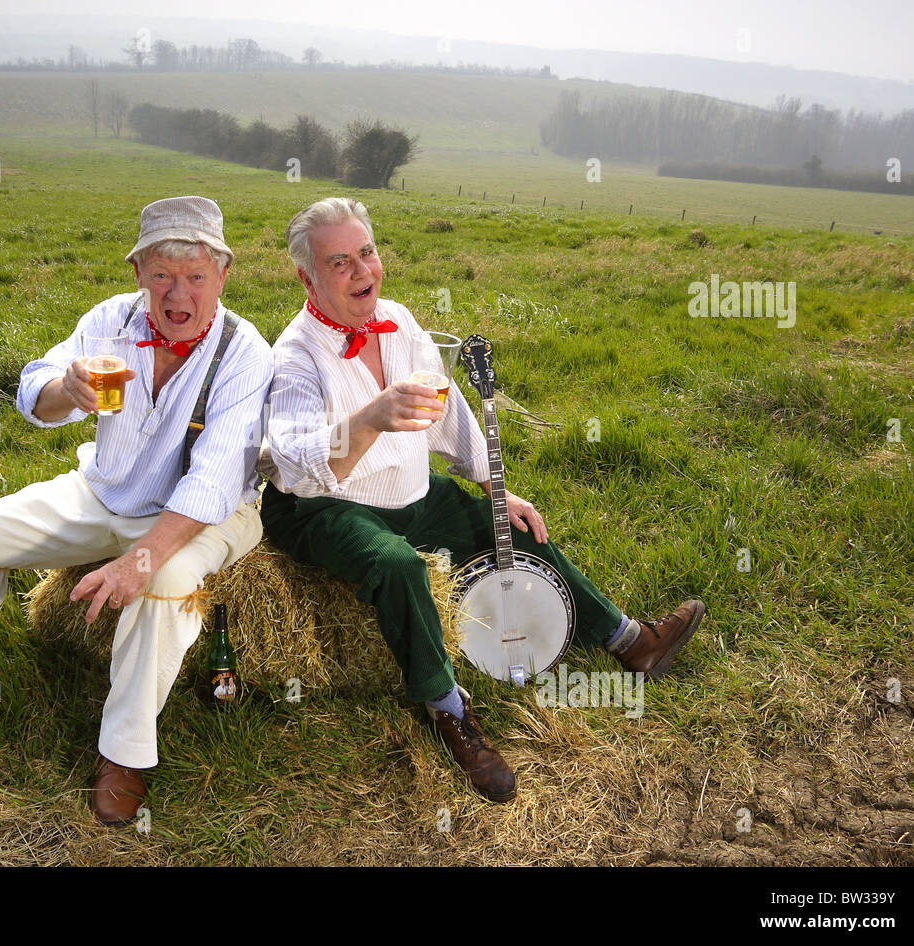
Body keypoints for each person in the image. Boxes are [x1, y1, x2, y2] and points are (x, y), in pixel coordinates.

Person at [0, 196, 273, 825]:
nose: (178, 294)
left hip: (206, 512)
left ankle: (123, 754)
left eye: (196, 277)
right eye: (162, 276)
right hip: (108, 488)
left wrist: (138, 562)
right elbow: (35, 391)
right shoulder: (109, 321)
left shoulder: (244, 353)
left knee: (166, 584)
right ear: (138, 275)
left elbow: (212, 483)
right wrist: (59, 390)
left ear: (223, 276)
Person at [259, 197, 704, 802]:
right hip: (323, 504)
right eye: (340, 262)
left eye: (367, 252)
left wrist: (497, 489)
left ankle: (632, 641)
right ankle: (449, 711)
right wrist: (371, 417)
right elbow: (295, 458)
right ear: (306, 277)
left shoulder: (399, 321)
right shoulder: (294, 356)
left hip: (411, 491)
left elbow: (448, 413)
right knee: (398, 566)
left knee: (514, 530)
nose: (363, 271)